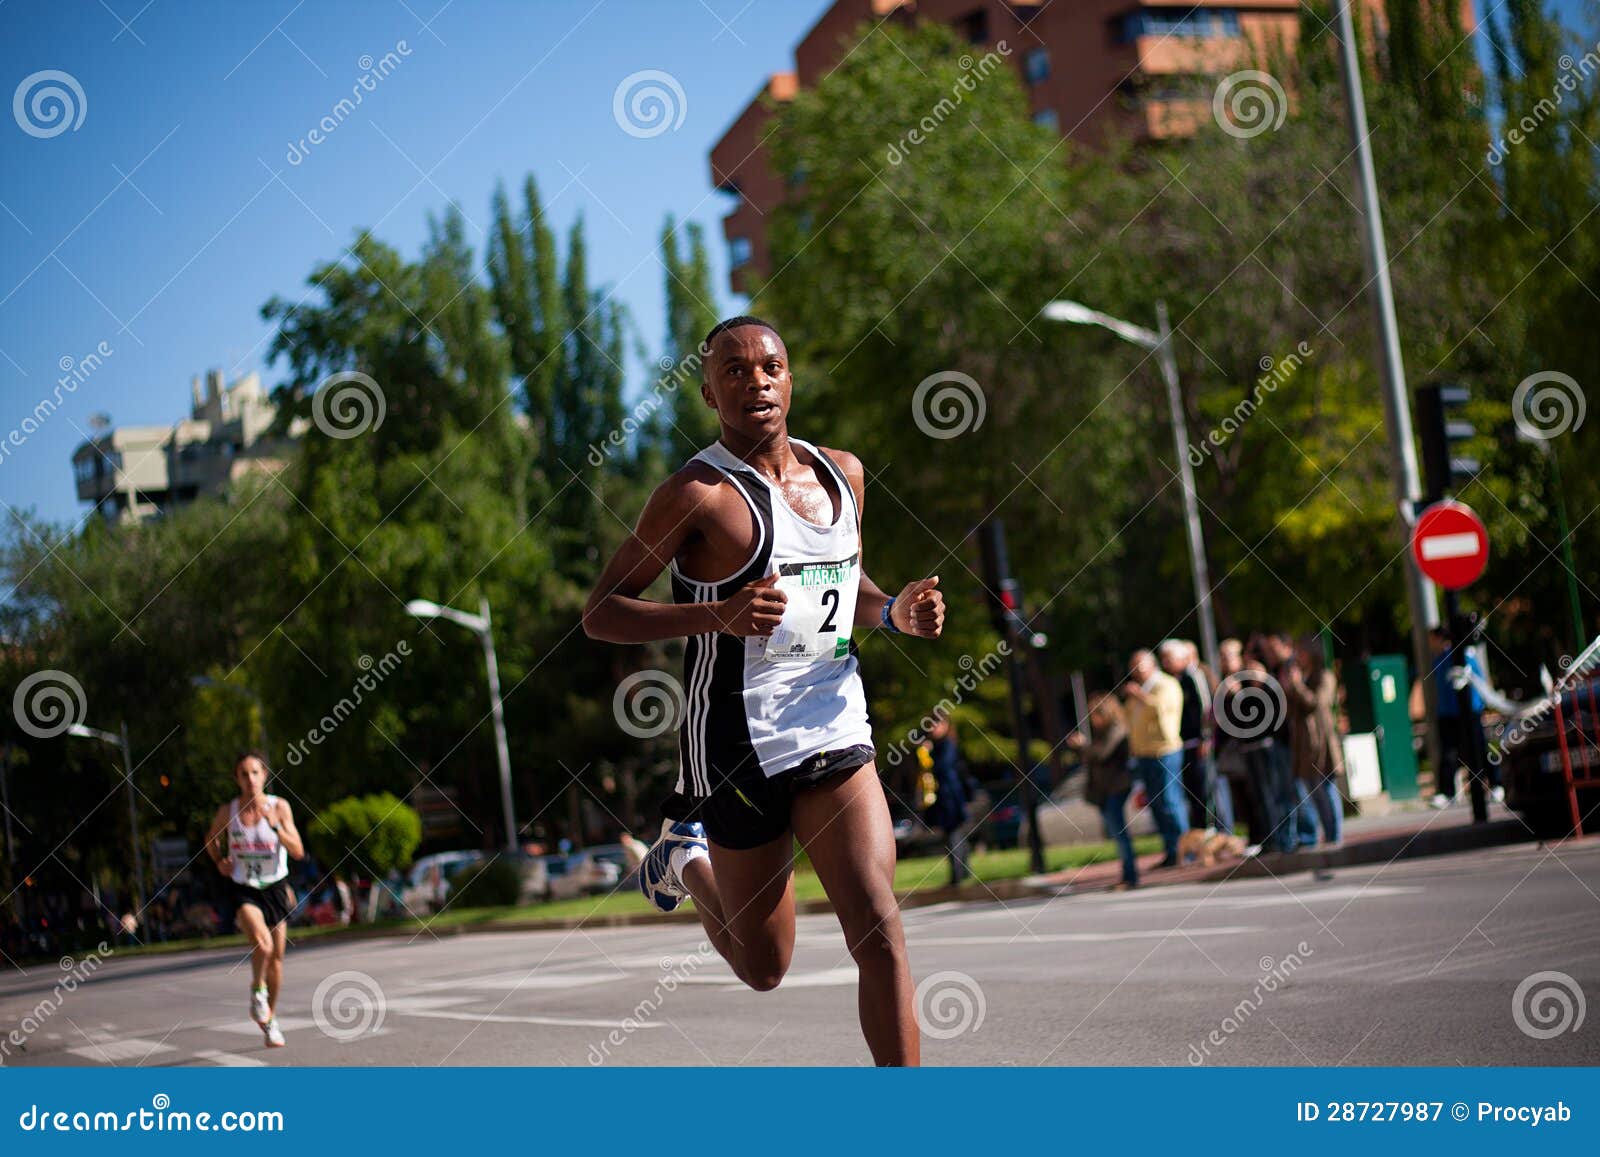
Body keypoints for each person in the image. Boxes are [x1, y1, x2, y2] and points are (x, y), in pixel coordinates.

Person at [584, 316, 945, 1067]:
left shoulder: (843, 473)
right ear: (710, 389)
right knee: (765, 966)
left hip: (833, 724)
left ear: (791, 379)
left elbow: (848, 590)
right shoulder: (696, 494)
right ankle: (681, 857)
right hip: (736, 742)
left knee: (879, 924)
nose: (757, 381)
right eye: (736, 370)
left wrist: (894, 612)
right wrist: (716, 612)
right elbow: (602, 612)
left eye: (770, 367)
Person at [205, 751, 304, 1048]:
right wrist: (220, 859)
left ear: (265, 776)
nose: (250, 779)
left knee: (277, 958)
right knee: (263, 944)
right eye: (244, 774)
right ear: (237, 779)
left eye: (255, 773)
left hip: (275, 885)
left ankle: (270, 1020)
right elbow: (211, 839)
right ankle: (257, 990)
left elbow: (298, 850)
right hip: (243, 887)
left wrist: (276, 826)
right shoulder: (229, 811)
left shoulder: (280, 807)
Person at [1418, 627, 1501, 808]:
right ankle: (1447, 793)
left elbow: (1477, 681)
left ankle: (1496, 784)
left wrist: (1478, 706)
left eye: (1432, 639)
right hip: (1447, 713)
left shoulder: (1461, 655)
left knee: (1479, 747)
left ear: (1440, 638)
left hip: (1468, 712)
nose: (1430, 644)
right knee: (1449, 753)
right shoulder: (1438, 660)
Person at [1122, 649, 1188, 866]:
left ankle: (1185, 850)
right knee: (1157, 805)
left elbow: (1162, 709)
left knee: (1170, 801)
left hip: (1165, 751)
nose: (1135, 671)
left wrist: (1140, 696)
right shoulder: (1138, 691)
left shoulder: (1164, 684)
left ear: (1151, 665)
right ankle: (1171, 850)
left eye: (1138, 665)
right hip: (1144, 754)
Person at [1159, 638, 1228, 833]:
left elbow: (1207, 709)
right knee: (1193, 792)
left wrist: (1206, 737)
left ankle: (1216, 831)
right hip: (1183, 745)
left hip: (1199, 742)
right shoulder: (1173, 681)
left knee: (1207, 790)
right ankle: (1200, 833)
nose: (1165, 664)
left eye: (1169, 659)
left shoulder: (1194, 676)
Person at [1068, 692, 1137, 889]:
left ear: (1104, 713)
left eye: (1094, 714)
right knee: (1116, 833)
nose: (1092, 719)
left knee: (1120, 833)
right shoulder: (1103, 731)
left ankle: (1130, 876)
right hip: (1106, 788)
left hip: (1117, 786)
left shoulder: (1117, 729)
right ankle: (1127, 875)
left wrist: (1083, 746)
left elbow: (1102, 754)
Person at [1286, 637, 1345, 847]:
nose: (1298, 657)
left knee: (1327, 789)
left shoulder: (1324, 676)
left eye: (1300, 652)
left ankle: (1335, 835)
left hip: (1322, 741)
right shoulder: (1303, 677)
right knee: (1313, 791)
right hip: (1304, 744)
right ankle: (1327, 834)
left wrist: (1298, 686)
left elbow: (1316, 704)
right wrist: (1291, 687)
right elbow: (1292, 711)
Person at [918, 713, 971, 887]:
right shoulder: (938, 746)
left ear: (946, 725)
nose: (934, 728)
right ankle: (961, 873)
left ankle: (959, 874)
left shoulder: (947, 746)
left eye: (938, 724)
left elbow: (943, 768)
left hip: (952, 797)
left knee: (955, 836)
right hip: (945, 798)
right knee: (952, 836)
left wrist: (929, 754)